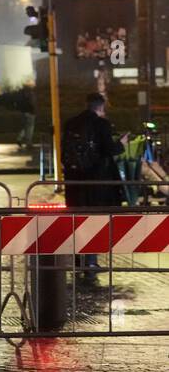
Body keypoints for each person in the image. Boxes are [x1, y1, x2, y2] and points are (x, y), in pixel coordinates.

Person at [61, 93, 127, 278]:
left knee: (77, 219)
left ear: (86, 104)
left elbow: (64, 152)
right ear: (101, 107)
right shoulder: (102, 124)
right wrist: (121, 144)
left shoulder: (70, 123)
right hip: (96, 181)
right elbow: (109, 149)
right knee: (94, 219)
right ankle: (90, 262)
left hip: (74, 180)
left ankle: (79, 261)